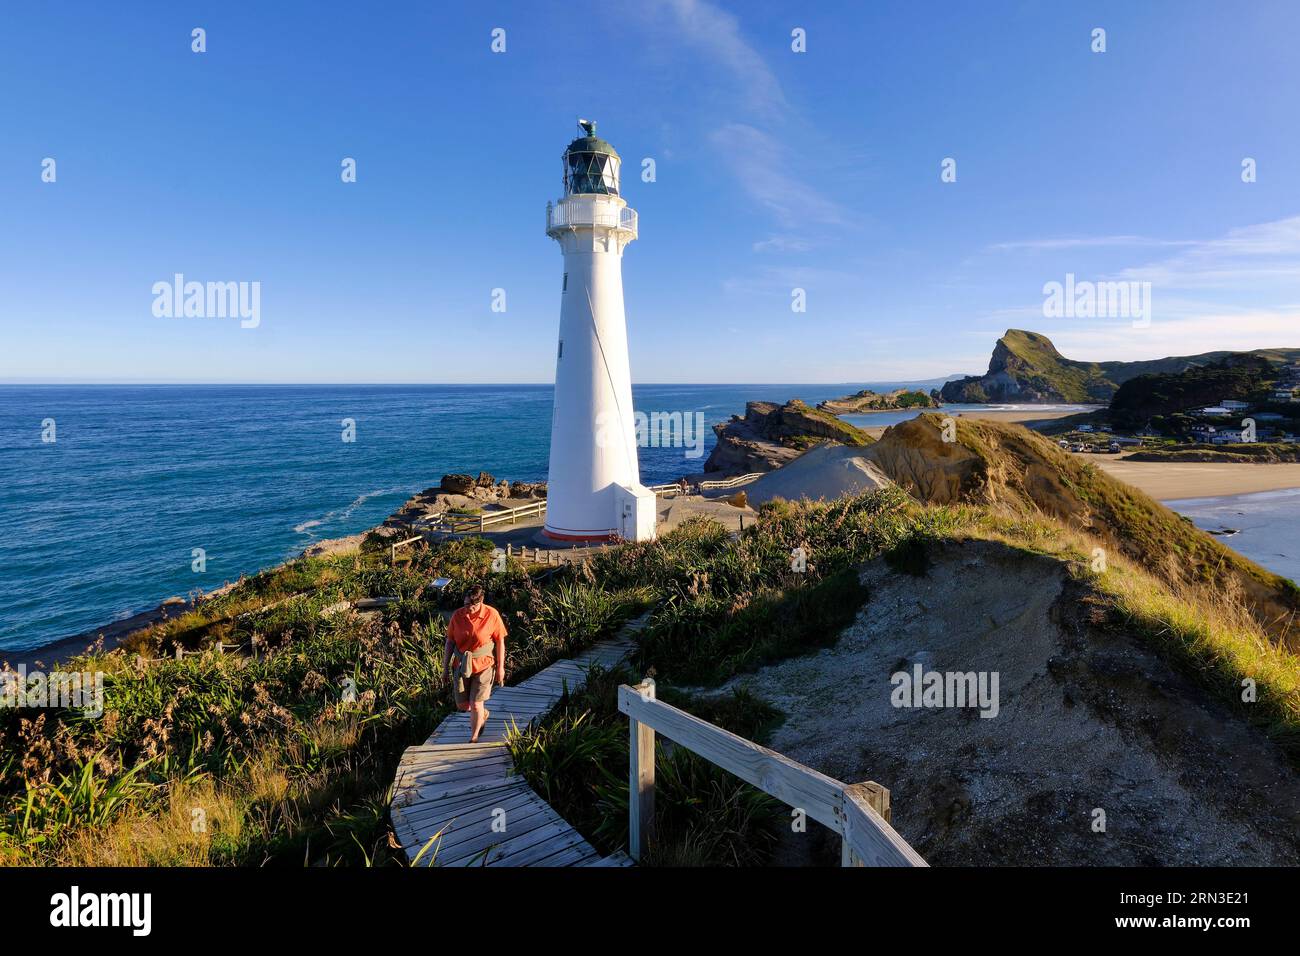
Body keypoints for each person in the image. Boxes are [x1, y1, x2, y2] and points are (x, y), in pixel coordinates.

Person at [443, 586, 507, 743]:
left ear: (481, 601)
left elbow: (500, 641)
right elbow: (450, 642)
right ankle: (483, 714)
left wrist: (500, 668)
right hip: (461, 665)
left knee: (476, 703)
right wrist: (445, 668)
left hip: (484, 664)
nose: (468, 608)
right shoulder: (457, 616)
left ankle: (474, 737)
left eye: (472, 605)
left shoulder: (492, 615)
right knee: (463, 706)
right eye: (465, 604)